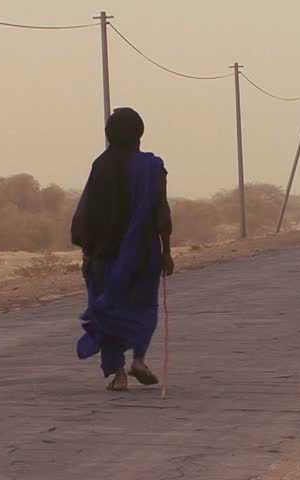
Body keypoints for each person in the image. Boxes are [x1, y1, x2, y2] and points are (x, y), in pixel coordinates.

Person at [71, 107, 174, 392]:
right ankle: (139, 359)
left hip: (105, 256)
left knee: (110, 310)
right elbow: (161, 212)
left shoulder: (100, 166)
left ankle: (119, 375)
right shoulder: (152, 167)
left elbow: (87, 215)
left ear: (109, 134)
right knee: (143, 306)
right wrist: (167, 251)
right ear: (140, 134)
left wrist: (87, 254)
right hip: (143, 253)